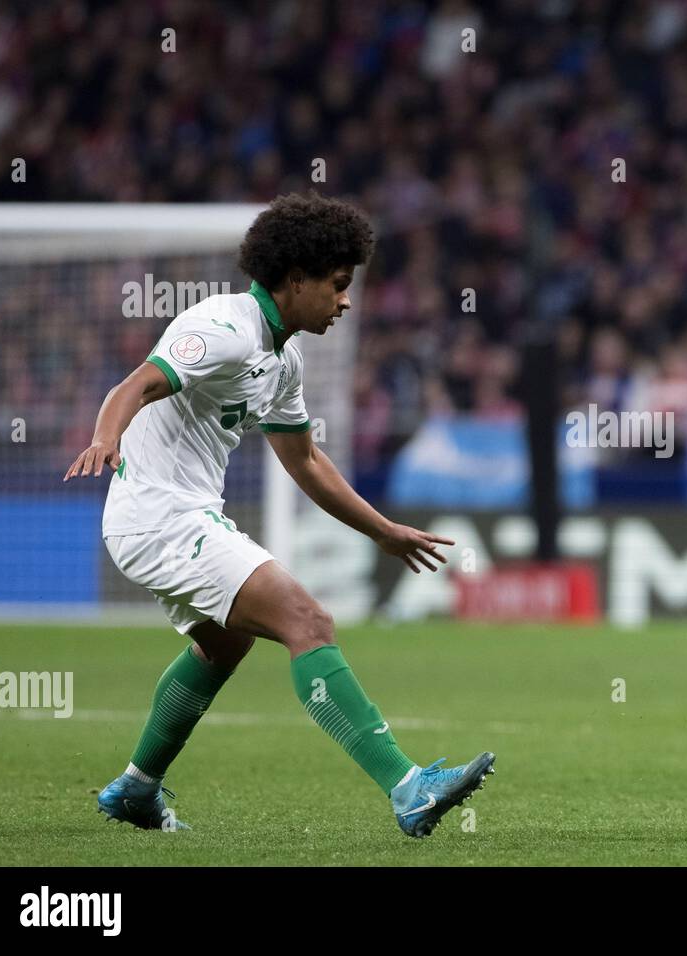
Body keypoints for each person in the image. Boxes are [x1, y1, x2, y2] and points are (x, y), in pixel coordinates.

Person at [64, 192, 493, 839]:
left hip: (180, 516)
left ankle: (135, 788)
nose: (346, 301)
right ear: (296, 280)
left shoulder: (283, 358)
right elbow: (136, 385)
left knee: (223, 645)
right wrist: (106, 436)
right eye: (338, 285)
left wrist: (384, 530)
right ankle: (410, 789)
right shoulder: (223, 327)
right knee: (308, 621)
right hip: (157, 517)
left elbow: (305, 461)